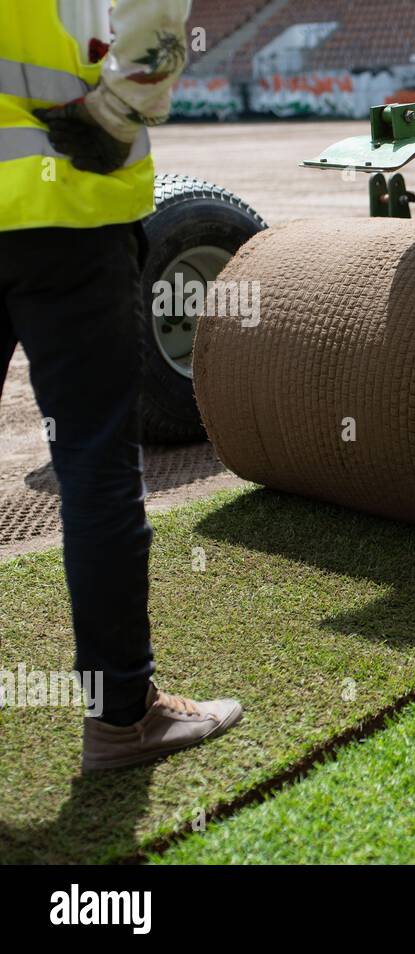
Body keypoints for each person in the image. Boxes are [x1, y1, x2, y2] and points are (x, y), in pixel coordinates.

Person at [0, 0, 242, 771]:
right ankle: (123, 718)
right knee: (96, 463)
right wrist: (115, 111)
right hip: (62, 207)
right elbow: (155, 25)